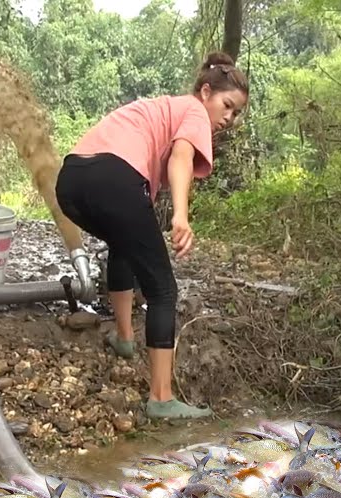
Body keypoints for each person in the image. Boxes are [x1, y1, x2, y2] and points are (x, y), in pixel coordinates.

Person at [55, 52, 249, 421]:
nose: (229, 118)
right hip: (113, 178)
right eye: (227, 106)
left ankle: (125, 338)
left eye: (236, 113)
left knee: (124, 243)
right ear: (205, 92)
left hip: (72, 181)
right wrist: (181, 216)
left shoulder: (161, 111)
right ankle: (161, 398)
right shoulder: (192, 111)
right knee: (163, 290)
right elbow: (180, 159)